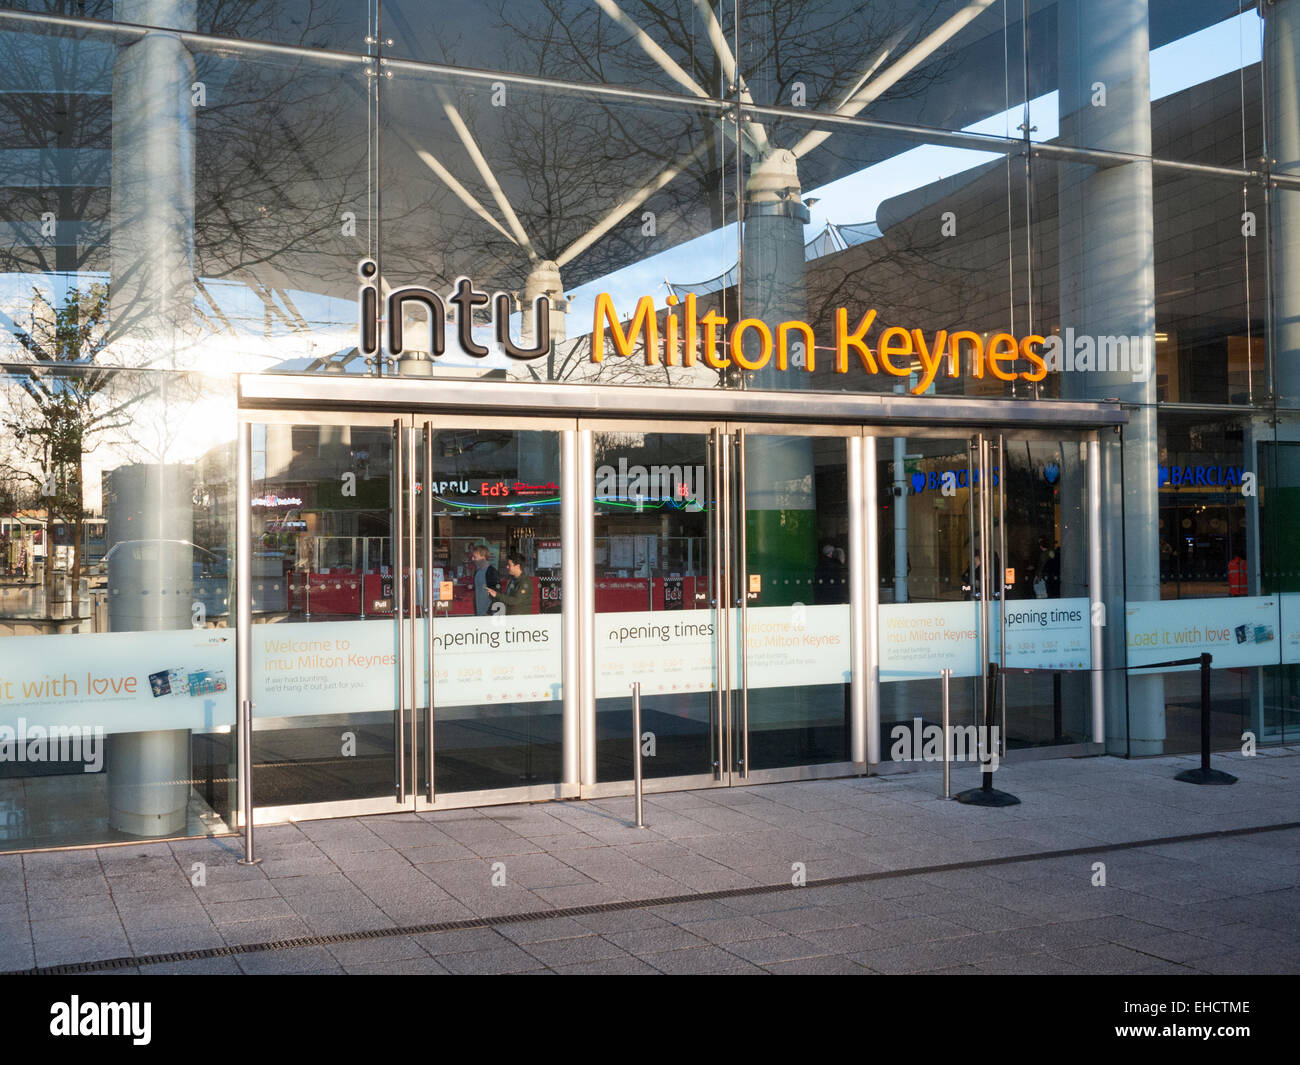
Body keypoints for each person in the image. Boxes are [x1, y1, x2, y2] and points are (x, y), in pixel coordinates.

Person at [471, 545, 498, 616]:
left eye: (475, 557)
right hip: (479, 612)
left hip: (487, 614)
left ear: (483, 557)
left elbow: (497, 594)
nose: (473, 559)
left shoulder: (491, 572)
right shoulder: (477, 571)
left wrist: (490, 612)